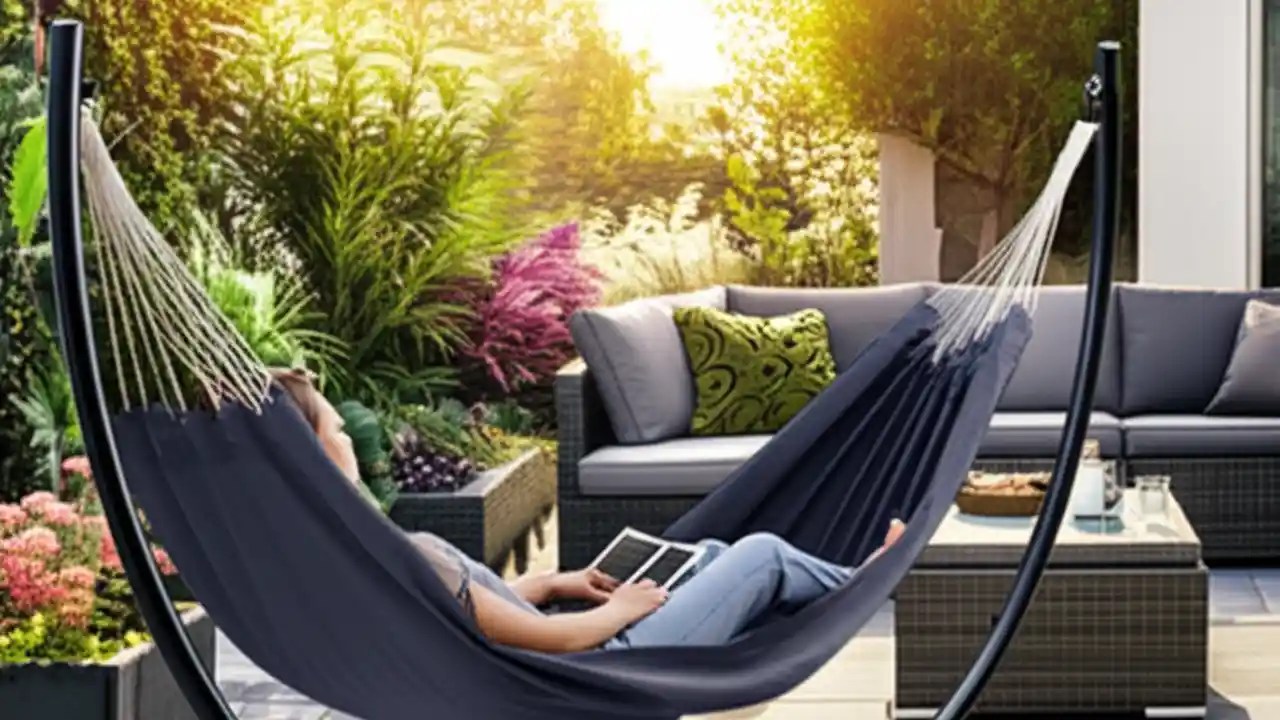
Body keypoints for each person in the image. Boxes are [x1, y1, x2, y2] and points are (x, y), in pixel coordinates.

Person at [271, 368, 905, 654]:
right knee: (758, 553)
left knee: (710, 556)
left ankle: (829, 597)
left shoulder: (348, 557)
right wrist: (622, 611)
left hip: (564, 655)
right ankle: (865, 584)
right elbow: (556, 638)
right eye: (335, 425)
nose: (350, 434)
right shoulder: (393, 553)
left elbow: (467, 617)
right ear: (314, 451)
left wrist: (549, 581)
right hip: (599, 668)